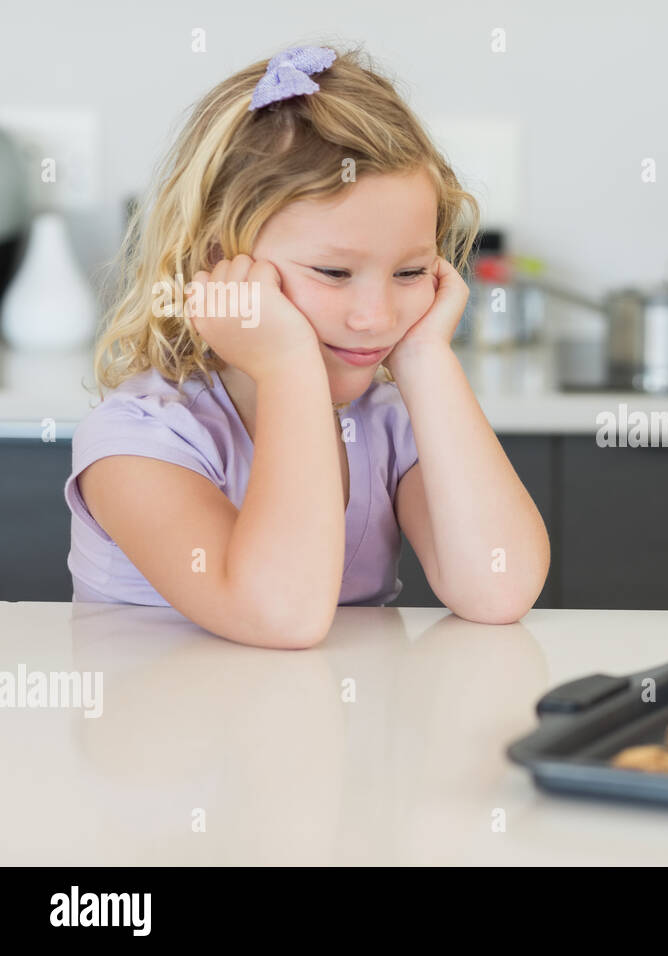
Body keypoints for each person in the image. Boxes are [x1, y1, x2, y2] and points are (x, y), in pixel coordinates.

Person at [65, 44, 550, 647]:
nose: (375, 318)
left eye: (408, 274)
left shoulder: (388, 428)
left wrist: (427, 358)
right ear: (219, 262)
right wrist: (288, 367)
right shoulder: (141, 441)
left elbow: (498, 589)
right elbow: (280, 615)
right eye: (333, 273)